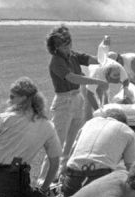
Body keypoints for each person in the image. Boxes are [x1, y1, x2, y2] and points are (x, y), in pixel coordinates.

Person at [37, 25, 107, 184]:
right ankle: (43, 181)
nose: (68, 47)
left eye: (69, 43)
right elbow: (72, 78)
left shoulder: (72, 55)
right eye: (64, 45)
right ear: (56, 47)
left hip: (77, 100)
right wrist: (97, 81)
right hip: (64, 102)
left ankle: (61, 176)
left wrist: (106, 55)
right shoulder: (56, 61)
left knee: (73, 142)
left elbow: (92, 60)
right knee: (57, 143)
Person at [59, 109, 135, 197]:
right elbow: (131, 168)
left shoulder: (89, 123)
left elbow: (72, 153)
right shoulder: (127, 131)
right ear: (124, 122)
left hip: (73, 174)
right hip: (100, 176)